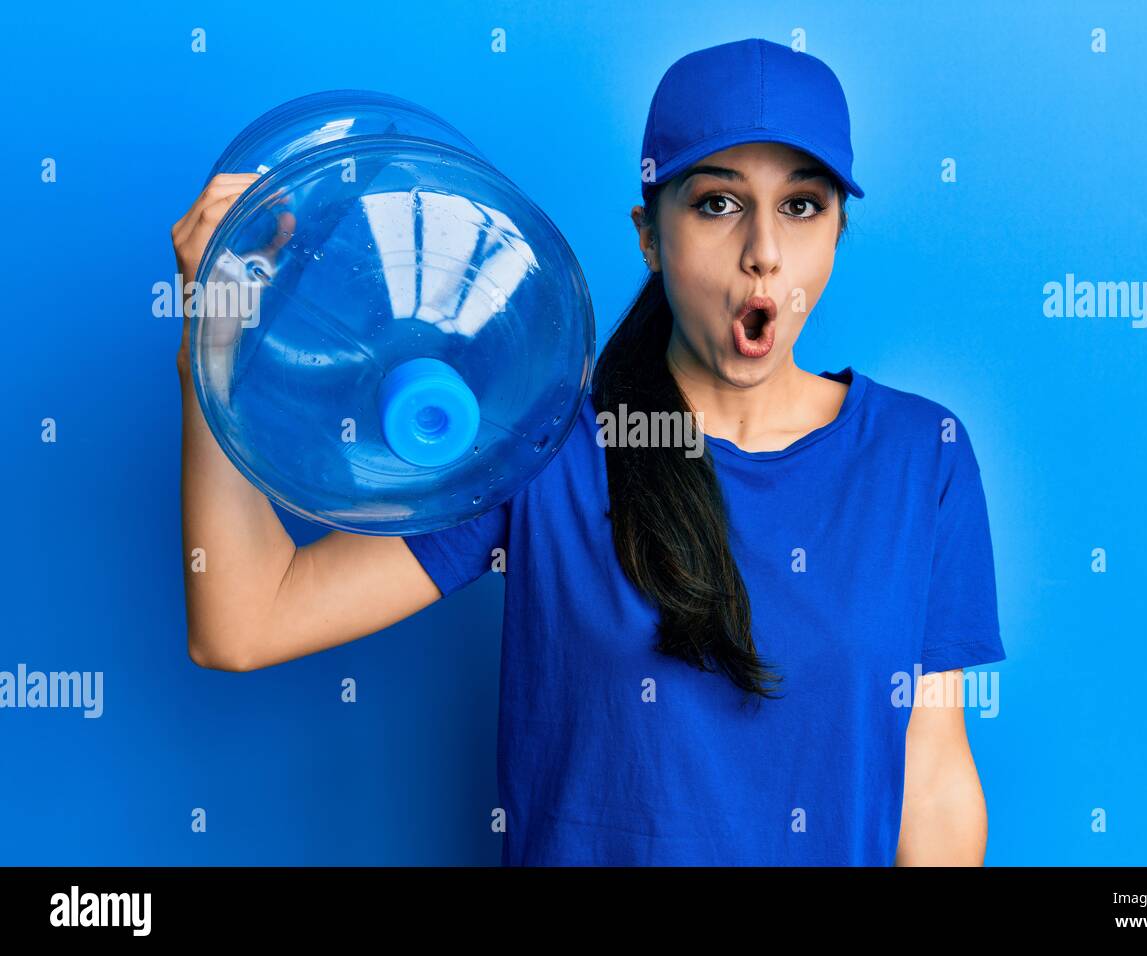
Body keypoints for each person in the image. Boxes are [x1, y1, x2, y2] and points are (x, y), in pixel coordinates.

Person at [172, 37, 1006, 866]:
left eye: (802, 205)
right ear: (649, 234)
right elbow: (246, 621)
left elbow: (930, 781)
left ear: (836, 231)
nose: (764, 251)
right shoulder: (542, 444)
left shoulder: (919, 456)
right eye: (717, 203)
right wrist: (210, 345)